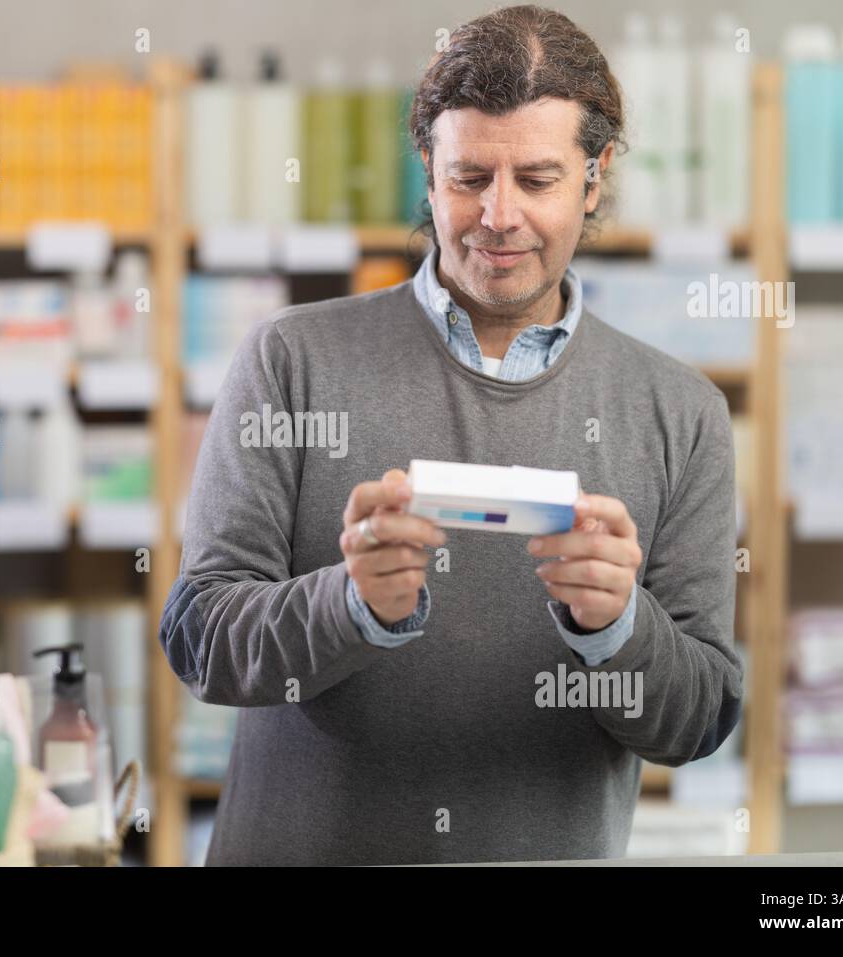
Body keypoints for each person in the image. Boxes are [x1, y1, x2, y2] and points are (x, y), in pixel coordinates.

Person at [159, 4, 743, 865]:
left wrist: (620, 626)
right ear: (427, 169)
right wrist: (349, 604)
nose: (498, 216)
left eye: (538, 181)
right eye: (469, 177)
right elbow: (200, 638)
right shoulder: (292, 360)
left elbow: (699, 719)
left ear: (596, 174)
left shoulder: (680, 413)